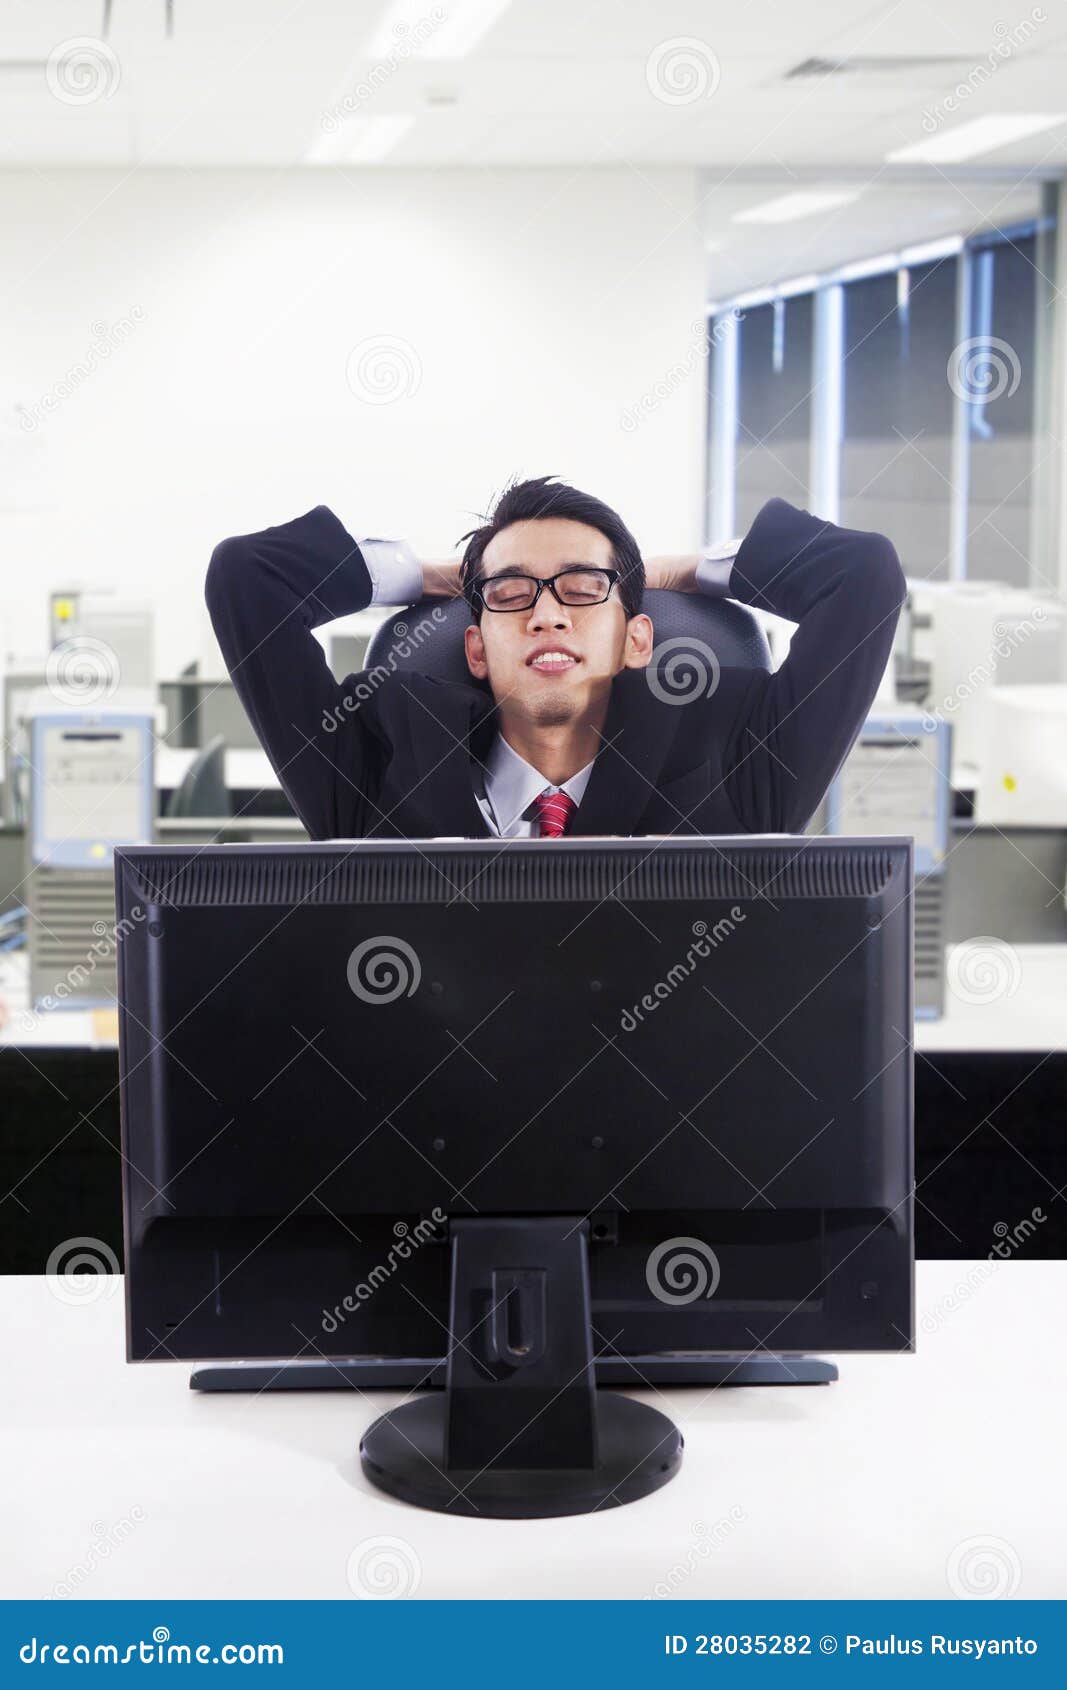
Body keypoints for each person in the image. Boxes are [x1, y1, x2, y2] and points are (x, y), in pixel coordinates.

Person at [204, 474, 906, 841]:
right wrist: (438, 577)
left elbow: (862, 574)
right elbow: (249, 579)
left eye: (581, 589)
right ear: (473, 647)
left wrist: (671, 572)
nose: (545, 614)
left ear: (637, 638)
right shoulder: (378, 758)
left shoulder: (737, 754)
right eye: (512, 595)